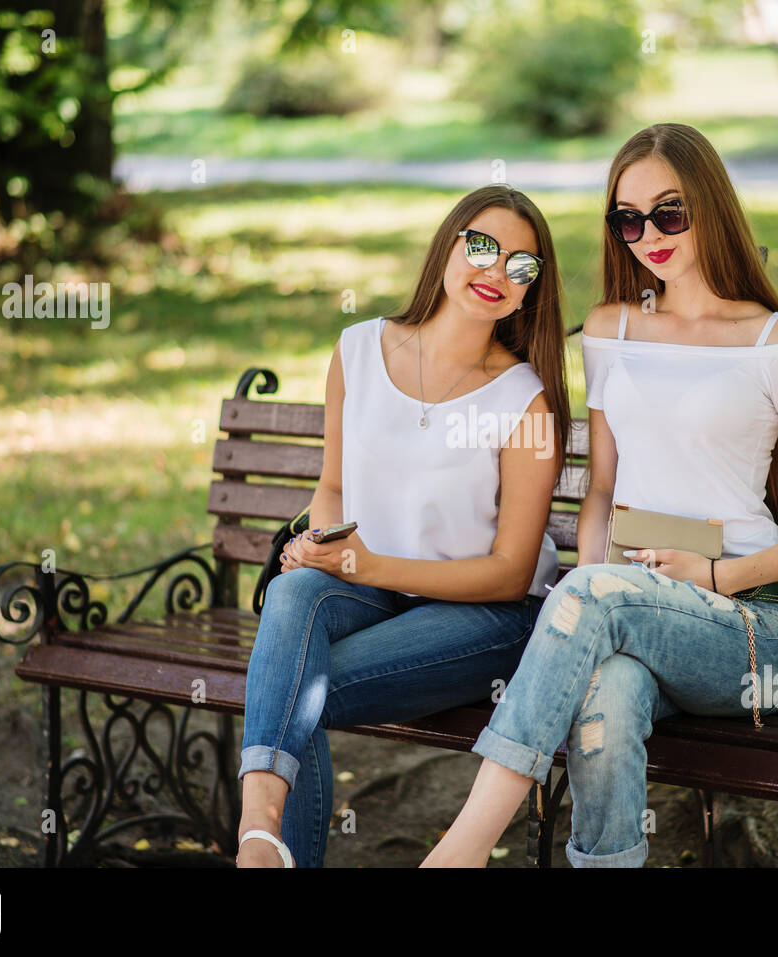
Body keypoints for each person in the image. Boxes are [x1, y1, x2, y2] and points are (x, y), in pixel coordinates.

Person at [422, 123, 778, 868]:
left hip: (749, 627)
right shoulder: (609, 329)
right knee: (606, 695)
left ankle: (461, 848)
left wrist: (715, 574)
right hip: (631, 604)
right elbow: (601, 490)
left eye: (669, 212)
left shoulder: (777, 343)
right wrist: (607, 579)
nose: (647, 235)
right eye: (627, 219)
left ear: (711, 207)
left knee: (591, 594)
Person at [236, 184, 572, 867]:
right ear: (449, 244)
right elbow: (331, 487)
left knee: (298, 685)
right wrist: (320, 546)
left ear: (531, 291)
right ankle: (258, 832)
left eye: (521, 266)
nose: (495, 272)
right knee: (294, 593)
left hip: (488, 616)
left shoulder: (523, 400)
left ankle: (262, 846)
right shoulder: (357, 350)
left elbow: (511, 571)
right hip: (376, 594)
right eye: (482, 247)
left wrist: (363, 565)